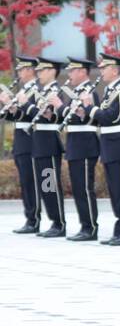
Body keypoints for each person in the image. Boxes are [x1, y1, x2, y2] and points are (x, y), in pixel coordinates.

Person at [85, 54, 120, 245]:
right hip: (109, 144)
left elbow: (110, 117)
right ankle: (119, 228)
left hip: (119, 145)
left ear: (115, 69)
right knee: (115, 191)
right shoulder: (110, 90)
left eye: (104, 67)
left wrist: (90, 108)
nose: (101, 70)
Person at [61, 58, 100, 241]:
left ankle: (90, 227)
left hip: (85, 146)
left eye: (72, 71)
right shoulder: (76, 91)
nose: (69, 75)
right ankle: (85, 225)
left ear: (82, 72)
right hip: (75, 146)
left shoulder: (89, 91)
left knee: (84, 188)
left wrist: (60, 106)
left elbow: (87, 119)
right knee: (78, 189)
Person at [1, 57, 41, 232]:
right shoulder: (24, 89)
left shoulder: (37, 90)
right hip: (20, 139)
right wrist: (8, 105)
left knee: (32, 181)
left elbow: (35, 115)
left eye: (22, 70)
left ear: (30, 70)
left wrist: (19, 105)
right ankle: (30, 218)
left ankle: (34, 219)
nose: (19, 73)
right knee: (25, 182)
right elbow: (17, 116)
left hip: (31, 140)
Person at [30, 56, 68, 237]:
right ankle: (54, 220)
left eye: (42, 71)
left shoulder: (56, 91)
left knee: (51, 185)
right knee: (45, 186)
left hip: (49, 144)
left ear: (52, 71)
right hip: (39, 143)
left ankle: (59, 223)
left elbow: (57, 116)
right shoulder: (40, 90)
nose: (38, 74)